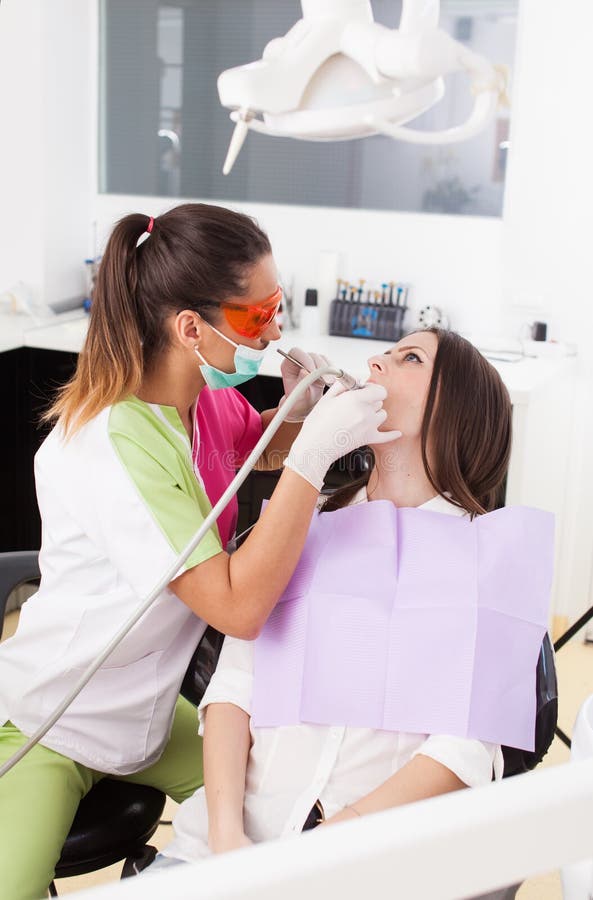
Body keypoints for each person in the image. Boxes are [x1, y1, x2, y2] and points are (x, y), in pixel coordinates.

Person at [0, 203, 397, 900]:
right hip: (52, 716)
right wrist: (311, 455)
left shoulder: (201, 402)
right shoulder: (109, 446)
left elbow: (252, 453)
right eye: (257, 316)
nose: (275, 329)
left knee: (270, 810)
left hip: (146, 711)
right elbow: (237, 607)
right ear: (189, 328)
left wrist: (301, 412)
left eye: (277, 306)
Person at [151, 327, 514, 869]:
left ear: (455, 409)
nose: (376, 362)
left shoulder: (488, 565)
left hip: (367, 866)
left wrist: (328, 845)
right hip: (231, 845)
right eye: (386, 351)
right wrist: (227, 837)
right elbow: (235, 687)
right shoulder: (307, 525)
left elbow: (464, 748)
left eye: (408, 357)